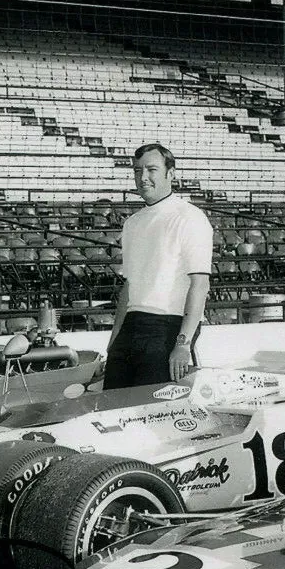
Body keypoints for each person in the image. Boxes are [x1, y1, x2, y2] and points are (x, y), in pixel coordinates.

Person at [103, 142, 213, 390]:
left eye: (151, 169)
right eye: (137, 170)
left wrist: (183, 343)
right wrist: (114, 341)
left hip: (168, 326)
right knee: (113, 403)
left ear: (170, 173)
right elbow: (129, 287)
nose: (143, 177)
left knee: (150, 406)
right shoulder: (132, 223)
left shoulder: (190, 217)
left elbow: (200, 284)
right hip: (131, 325)